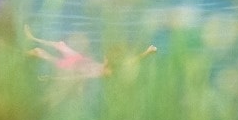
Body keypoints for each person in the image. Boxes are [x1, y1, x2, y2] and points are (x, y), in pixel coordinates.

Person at [26, 27, 154, 79]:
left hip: (72, 65)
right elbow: (130, 62)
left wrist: (51, 78)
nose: (104, 58)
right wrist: (147, 52)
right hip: (79, 59)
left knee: (44, 54)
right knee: (60, 44)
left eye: (106, 58)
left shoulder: (104, 72)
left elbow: (78, 76)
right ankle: (33, 39)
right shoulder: (108, 67)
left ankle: (32, 51)